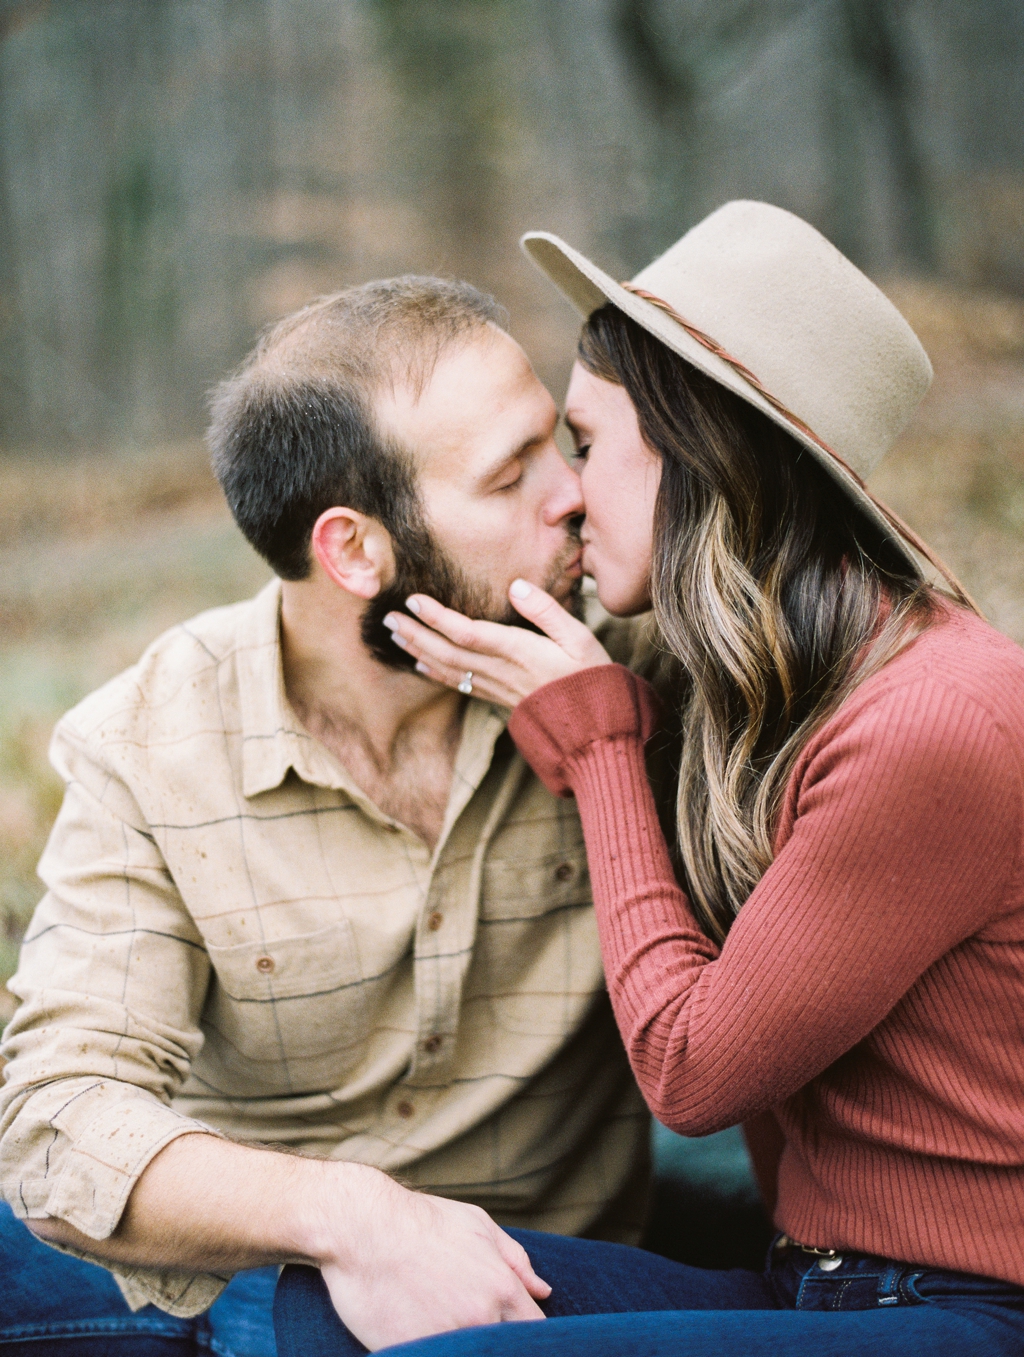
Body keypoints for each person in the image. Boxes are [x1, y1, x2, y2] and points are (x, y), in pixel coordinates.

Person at [290, 201, 1024, 1355]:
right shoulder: (777, 680)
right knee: (319, 1303)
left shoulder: (934, 720)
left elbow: (690, 1070)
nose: (571, 492)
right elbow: (624, 763)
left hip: (963, 1308)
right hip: (812, 1284)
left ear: (696, 443)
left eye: (585, 442)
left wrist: (594, 742)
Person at [0, 277, 669, 1355]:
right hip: (246, 1261)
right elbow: (58, 1118)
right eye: (510, 477)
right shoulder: (153, 743)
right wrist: (358, 1217)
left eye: (562, 444)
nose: (574, 496)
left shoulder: (634, 670)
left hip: (535, 1287)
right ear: (354, 550)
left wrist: (608, 735)